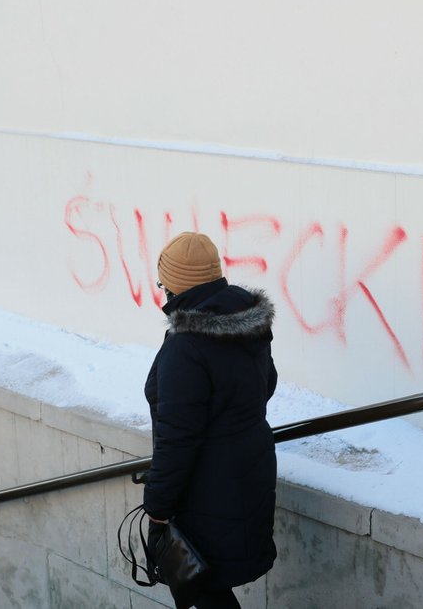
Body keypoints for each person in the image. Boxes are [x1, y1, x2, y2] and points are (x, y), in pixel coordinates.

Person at [143, 231, 278, 609]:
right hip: (248, 471)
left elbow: (176, 440)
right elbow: (267, 383)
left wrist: (156, 505)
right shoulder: (248, 325)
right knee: (211, 589)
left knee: (205, 586)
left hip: (208, 488)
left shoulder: (186, 349)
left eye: (162, 282)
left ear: (175, 286)